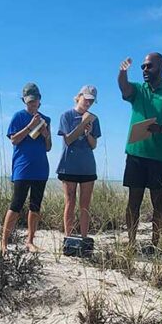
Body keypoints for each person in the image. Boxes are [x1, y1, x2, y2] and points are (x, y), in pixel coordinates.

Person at [118, 52, 162, 254]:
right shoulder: (139, 90)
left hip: (159, 156)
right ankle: (131, 243)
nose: (145, 70)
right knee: (134, 200)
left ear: (160, 67)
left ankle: (155, 244)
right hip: (136, 153)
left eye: (149, 66)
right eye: (142, 67)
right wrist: (122, 72)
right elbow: (124, 88)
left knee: (159, 201)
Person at [0, 82, 52, 253]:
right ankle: (3, 242)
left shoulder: (46, 119)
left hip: (41, 168)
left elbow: (48, 147)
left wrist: (46, 136)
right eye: (30, 101)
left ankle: (30, 241)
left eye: (35, 100)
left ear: (39, 100)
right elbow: (14, 140)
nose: (33, 103)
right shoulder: (18, 116)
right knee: (16, 205)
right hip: (22, 168)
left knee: (35, 206)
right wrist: (30, 126)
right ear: (24, 101)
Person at [56, 85, 101, 239]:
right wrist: (82, 125)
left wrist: (88, 132)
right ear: (79, 96)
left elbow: (93, 145)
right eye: (86, 99)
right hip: (69, 166)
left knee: (85, 206)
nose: (88, 103)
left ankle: (83, 237)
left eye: (92, 101)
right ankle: (68, 237)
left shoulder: (94, 119)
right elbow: (68, 140)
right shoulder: (66, 116)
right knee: (70, 202)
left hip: (87, 166)